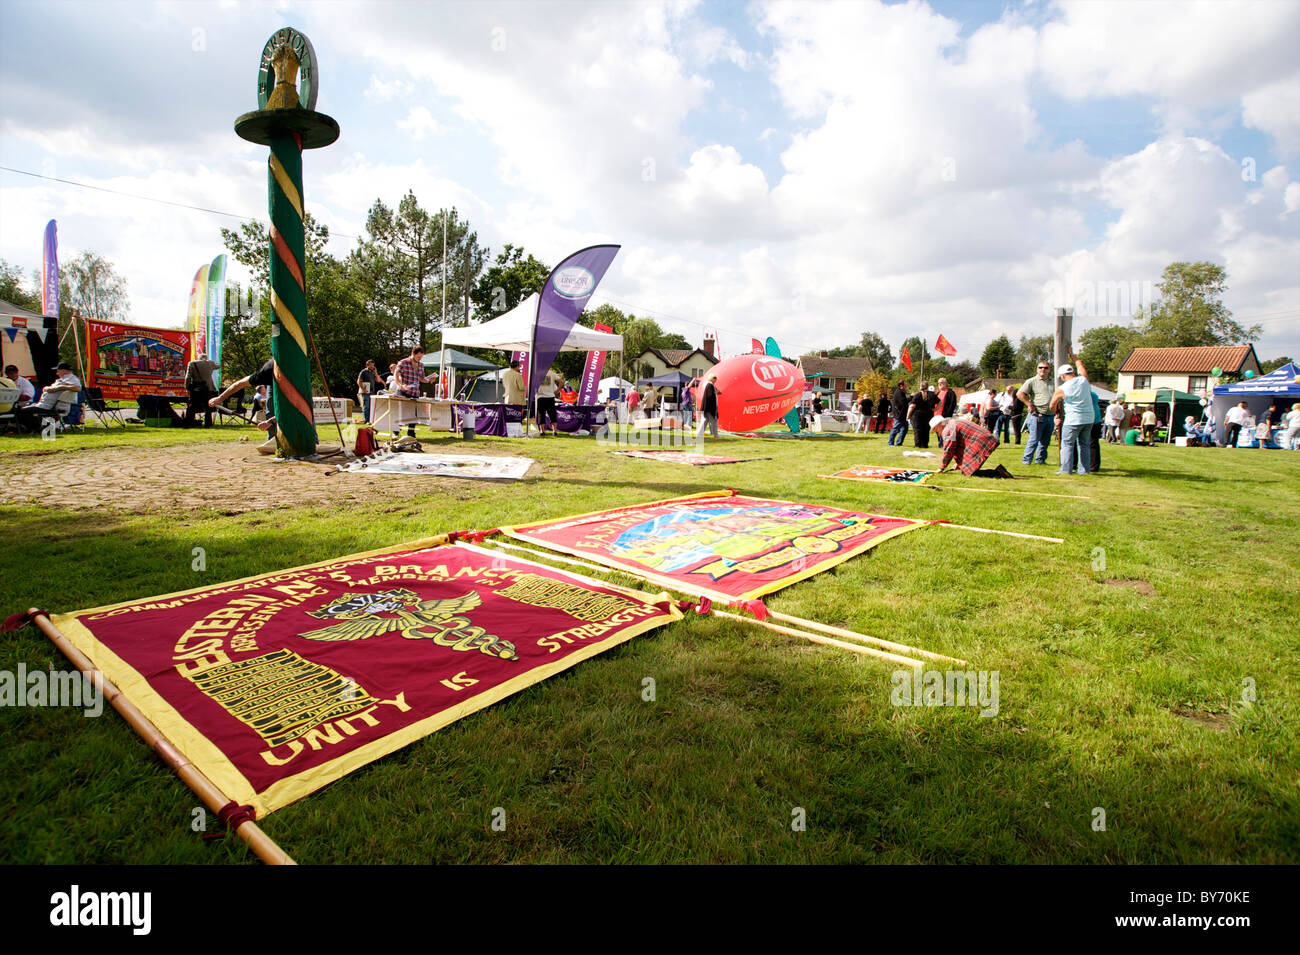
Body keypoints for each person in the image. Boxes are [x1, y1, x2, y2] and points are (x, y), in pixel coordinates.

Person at [210, 360, 282, 454]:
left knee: (281, 413)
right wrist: (220, 398)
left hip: (290, 382)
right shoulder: (265, 373)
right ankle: (273, 443)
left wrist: (270, 421)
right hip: (273, 379)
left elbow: (291, 409)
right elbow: (240, 384)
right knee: (271, 408)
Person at [1049, 358, 1094, 475]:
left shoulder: (1062, 389)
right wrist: (1074, 356)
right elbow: (1080, 366)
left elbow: (1052, 405)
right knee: (1084, 444)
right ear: (1073, 373)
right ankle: (1084, 470)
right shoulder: (1084, 380)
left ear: (1062, 376)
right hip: (1089, 418)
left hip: (1073, 419)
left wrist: (1056, 414)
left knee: (1067, 444)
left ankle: (1065, 470)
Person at [16, 361, 81, 433]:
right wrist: (47, 388)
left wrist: (60, 387)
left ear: (64, 371)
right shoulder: (64, 379)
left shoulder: (71, 378)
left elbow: (77, 388)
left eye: (58, 370)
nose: (57, 373)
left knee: (22, 412)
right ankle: (38, 428)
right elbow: (50, 389)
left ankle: (36, 429)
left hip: (50, 407)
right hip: (47, 405)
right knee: (25, 410)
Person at [933, 415, 1009, 477]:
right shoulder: (953, 422)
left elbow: (949, 449)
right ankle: (1000, 472)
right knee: (966, 470)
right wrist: (960, 464)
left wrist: (942, 467)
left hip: (980, 442)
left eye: (936, 430)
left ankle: (998, 473)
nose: (938, 434)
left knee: (970, 473)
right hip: (984, 439)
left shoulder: (948, 429)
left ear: (939, 425)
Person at [1017, 361, 1056, 464]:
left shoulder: (1054, 382)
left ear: (1049, 369)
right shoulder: (1031, 381)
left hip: (1050, 415)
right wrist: (1029, 404)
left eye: (1046, 368)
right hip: (1037, 415)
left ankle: (1040, 460)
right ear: (1037, 369)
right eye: (1040, 367)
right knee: (1034, 439)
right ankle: (1026, 460)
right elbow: (1020, 394)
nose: (1043, 369)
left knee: (1046, 441)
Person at [184, 351, 220, 428]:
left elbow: (187, 377)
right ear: (206, 358)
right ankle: (208, 423)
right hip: (208, 388)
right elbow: (218, 366)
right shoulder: (210, 363)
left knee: (191, 406)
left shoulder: (192, 363)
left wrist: (187, 387)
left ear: (198, 358)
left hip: (195, 389)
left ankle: (189, 422)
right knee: (208, 407)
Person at [906, 381, 937, 448]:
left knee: (917, 430)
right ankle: (925, 444)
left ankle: (918, 444)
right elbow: (940, 402)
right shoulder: (932, 395)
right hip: (928, 414)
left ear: (920, 387)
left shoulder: (917, 395)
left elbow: (912, 406)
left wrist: (908, 415)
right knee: (926, 429)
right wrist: (935, 409)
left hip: (917, 415)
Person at [535, 368, 561, 435]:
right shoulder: (551, 373)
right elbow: (560, 381)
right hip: (550, 397)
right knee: (552, 414)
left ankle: (542, 431)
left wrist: (536, 391)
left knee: (541, 414)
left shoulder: (537, 373)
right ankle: (554, 431)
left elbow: (533, 384)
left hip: (541, 397)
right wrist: (558, 390)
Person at [697, 371, 722, 438]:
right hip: (710, 408)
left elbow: (714, 393)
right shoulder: (710, 385)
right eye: (715, 378)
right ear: (712, 378)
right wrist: (715, 393)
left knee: (705, 421)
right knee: (714, 421)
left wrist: (716, 392)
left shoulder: (711, 386)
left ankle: (699, 434)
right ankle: (715, 435)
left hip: (706, 408)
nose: (716, 380)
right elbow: (710, 396)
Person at [888, 381, 910, 445]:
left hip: (902, 414)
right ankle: (890, 443)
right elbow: (903, 403)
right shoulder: (899, 393)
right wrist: (911, 397)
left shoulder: (901, 392)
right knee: (895, 428)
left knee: (904, 428)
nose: (907, 386)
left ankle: (899, 442)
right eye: (905, 385)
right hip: (899, 414)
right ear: (901, 386)